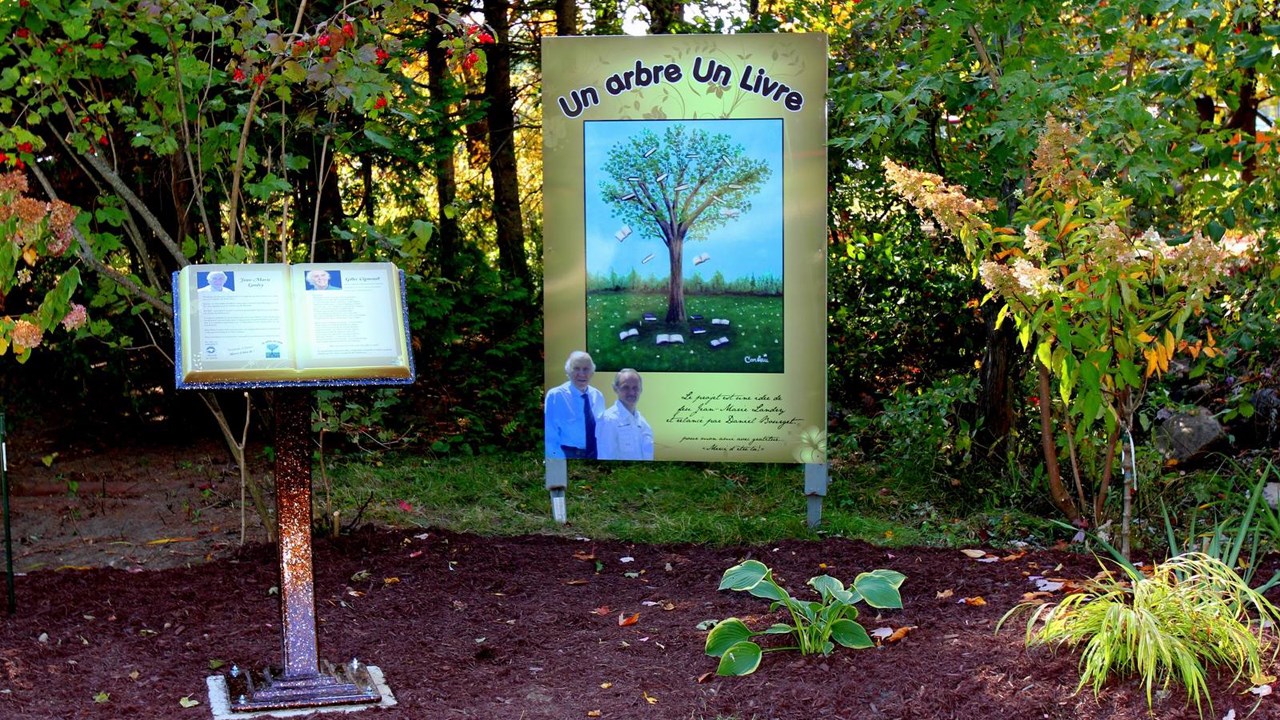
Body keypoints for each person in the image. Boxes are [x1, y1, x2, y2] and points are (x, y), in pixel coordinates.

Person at [544, 351, 605, 459]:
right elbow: (550, 436)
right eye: (576, 368)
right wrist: (559, 462)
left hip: (595, 455)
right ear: (568, 372)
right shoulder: (556, 396)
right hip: (567, 455)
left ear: (592, 373)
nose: (582, 374)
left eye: (586, 369)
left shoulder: (598, 395)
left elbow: (602, 431)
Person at [595, 368, 654, 461]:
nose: (631, 392)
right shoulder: (608, 420)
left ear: (641, 390)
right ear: (615, 388)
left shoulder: (643, 424)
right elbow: (605, 458)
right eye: (626, 387)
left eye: (635, 388)